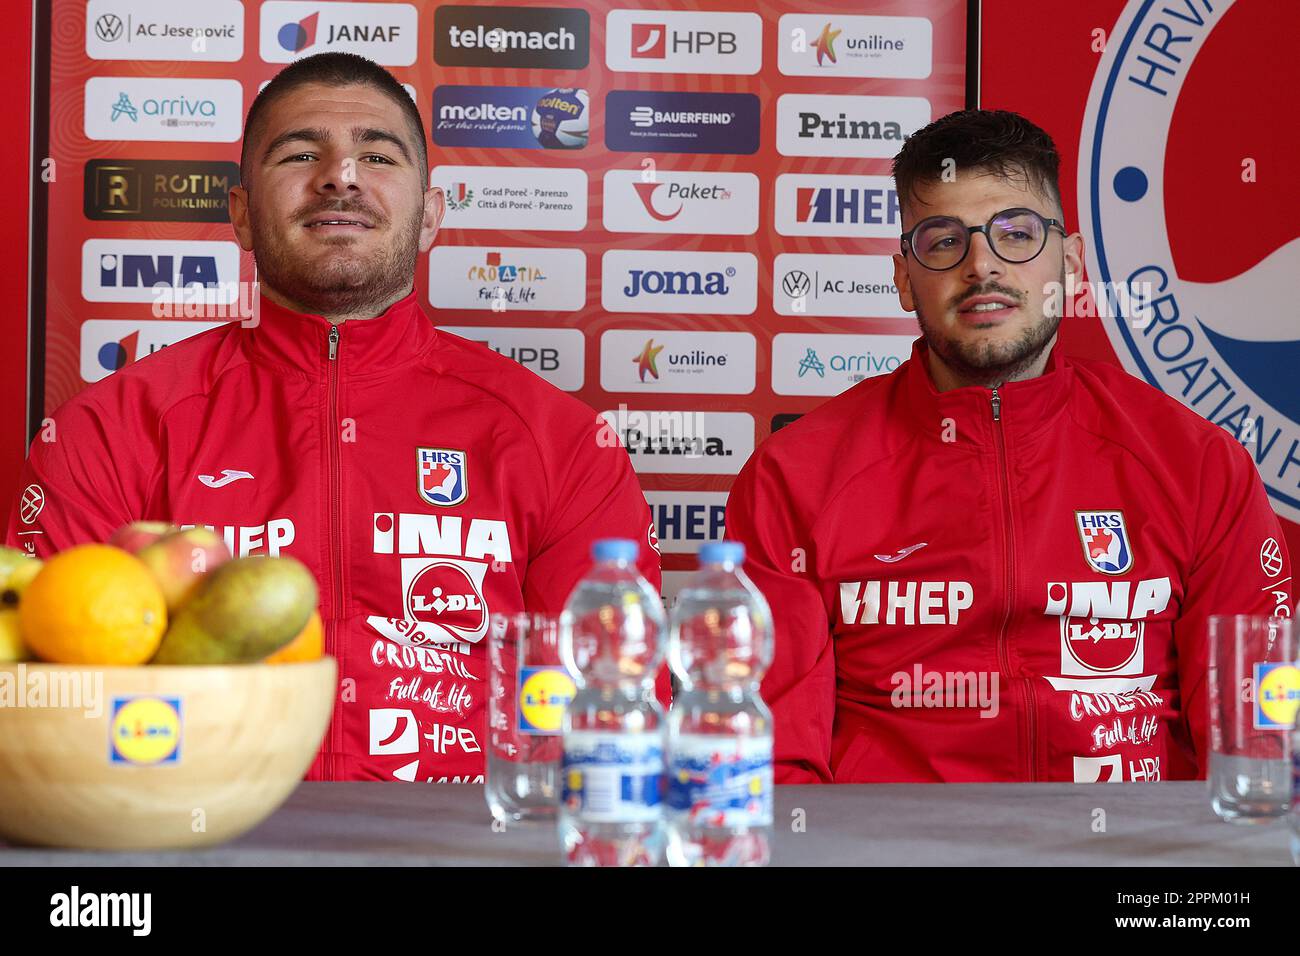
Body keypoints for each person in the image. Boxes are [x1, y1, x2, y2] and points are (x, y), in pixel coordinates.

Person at [4, 53, 660, 783]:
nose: (340, 176)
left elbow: (616, 708)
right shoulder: (114, 428)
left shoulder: (558, 439)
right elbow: (45, 703)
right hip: (199, 837)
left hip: (476, 844)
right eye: (300, 153)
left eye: (377, 154)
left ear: (431, 215)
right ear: (243, 216)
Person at [725, 109, 1293, 784]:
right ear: (905, 278)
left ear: (1072, 263)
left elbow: (1262, 744)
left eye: (1016, 233)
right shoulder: (796, 476)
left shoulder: (1194, 463)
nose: (982, 267)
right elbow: (766, 764)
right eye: (943, 242)